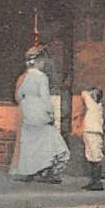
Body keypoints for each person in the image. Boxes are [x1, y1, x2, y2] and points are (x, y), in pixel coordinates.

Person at [10, 45, 70, 184]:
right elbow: (45, 98)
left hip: (28, 114)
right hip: (39, 113)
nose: (43, 64)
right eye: (42, 61)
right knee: (54, 142)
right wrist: (50, 114)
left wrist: (27, 103)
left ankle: (31, 170)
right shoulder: (41, 77)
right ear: (38, 62)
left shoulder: (26, 77)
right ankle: (48, 171)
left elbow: (19, 96)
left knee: (30, 144)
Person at [77, 87, 105, 191]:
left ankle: (97, 181)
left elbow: (83, 93)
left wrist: (89, 92)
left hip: (94, 133)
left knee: (95, 157)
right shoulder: (93, 106)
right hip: (88, 132)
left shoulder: (95, 105)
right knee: (90, 157)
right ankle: (93, 181)